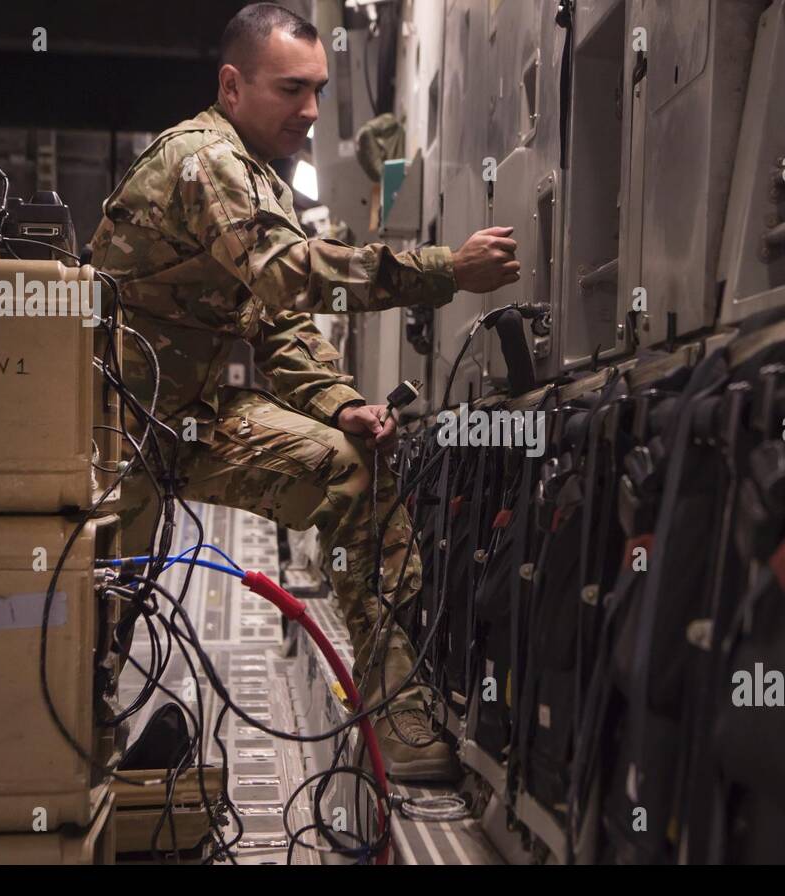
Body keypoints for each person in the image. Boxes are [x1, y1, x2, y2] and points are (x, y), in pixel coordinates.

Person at [89, 2, 519, 781]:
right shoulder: (205, 163)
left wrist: (338, 404)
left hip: (185, 415)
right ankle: (65, 761)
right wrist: (445, 271)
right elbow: (293, 273)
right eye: (292, 89)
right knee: (102, 605)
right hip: (111, 425)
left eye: (319, 90)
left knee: (352, 466)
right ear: (232, 85)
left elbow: (276, 321)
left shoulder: (260, 181)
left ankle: (393, 712)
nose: (312, 111)